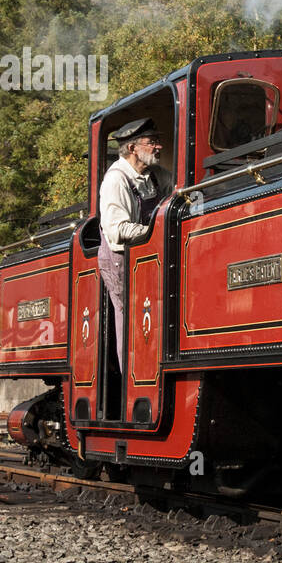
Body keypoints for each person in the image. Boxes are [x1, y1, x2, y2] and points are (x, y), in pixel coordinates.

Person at [98, 118, 172, 374]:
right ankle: (131, 375)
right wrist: (157, 232)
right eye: (152, 142)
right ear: (132, 148)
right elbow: (117, 229)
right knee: (128, 319)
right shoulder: (116, 180)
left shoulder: (152, 175)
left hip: (145, 256)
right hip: (122, 260)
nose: (158, 147)